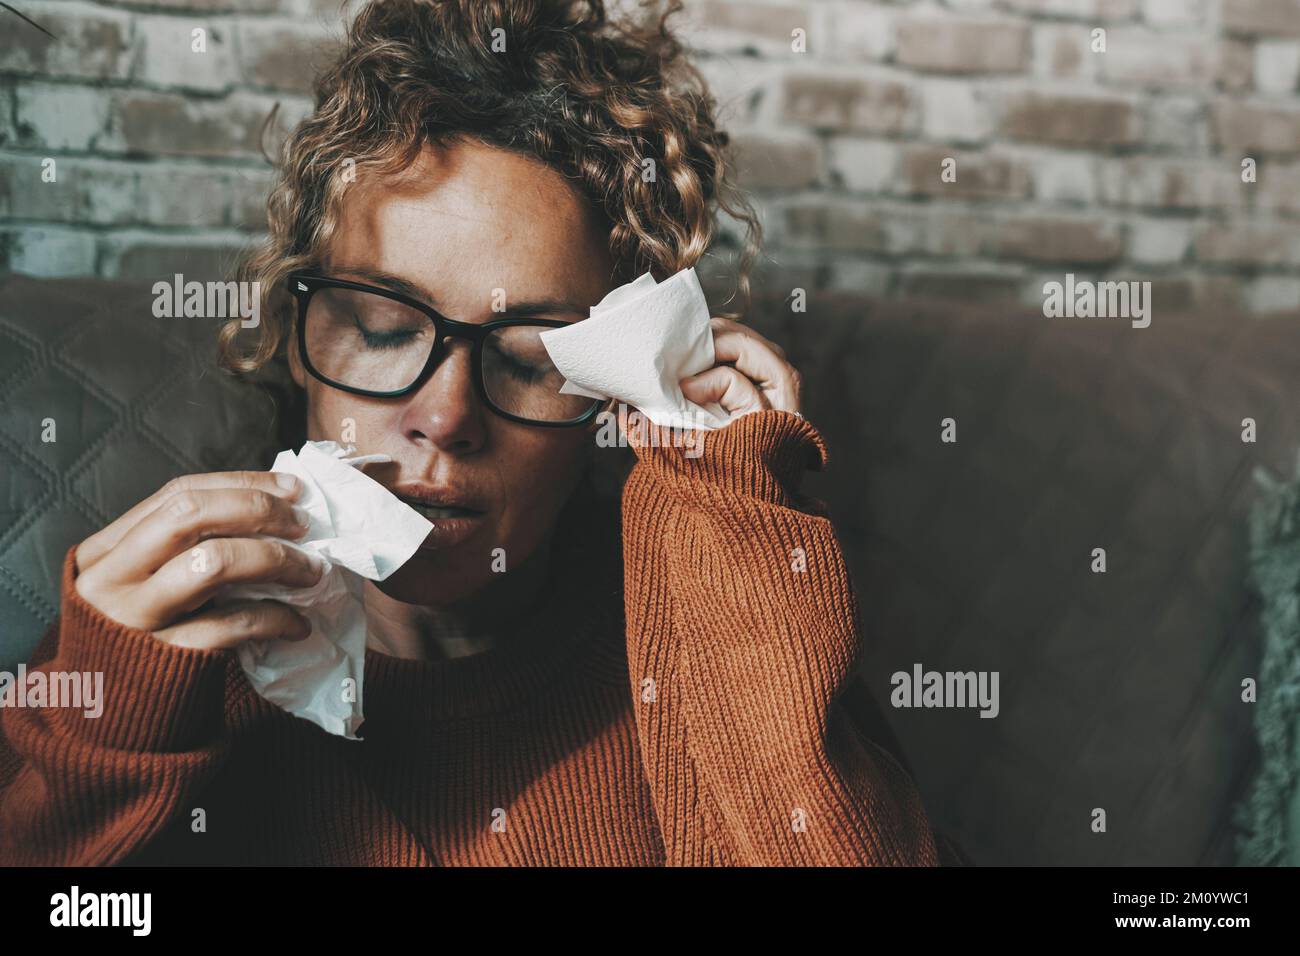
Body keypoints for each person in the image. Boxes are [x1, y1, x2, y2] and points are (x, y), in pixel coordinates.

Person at [0, 0, 951, 866]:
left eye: (532, 361)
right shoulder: (148, 661)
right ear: (296, 337)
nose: (446, 418)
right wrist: (98, 744)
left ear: (617, 392)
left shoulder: (704, 644)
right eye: (380, 328)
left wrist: (736, 528)